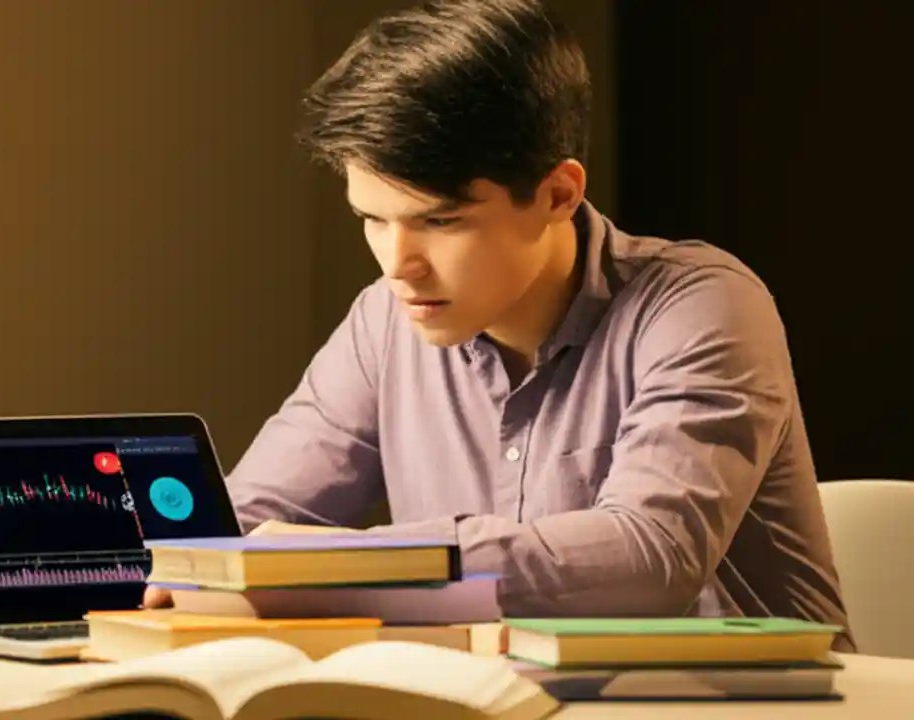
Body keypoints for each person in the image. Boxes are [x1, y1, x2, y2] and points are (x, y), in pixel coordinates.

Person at [147, 0, 854, 651]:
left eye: (441, 222)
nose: (400, 265)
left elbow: (648, 558)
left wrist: (324, 566)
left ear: (557, 193)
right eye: (372, 219)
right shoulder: (384, 322)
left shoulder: (701, 305)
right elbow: (234, 525)